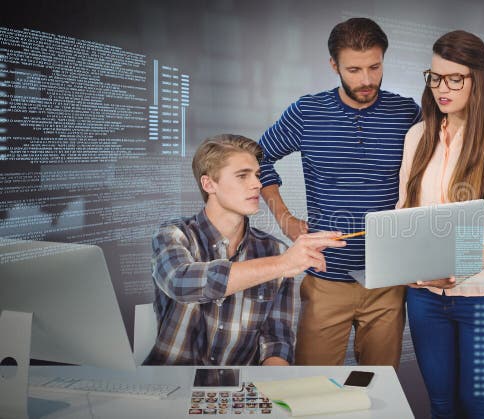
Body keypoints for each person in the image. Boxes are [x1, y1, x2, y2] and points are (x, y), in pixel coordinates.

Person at [258, 18, 421, 369]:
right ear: (334, 65)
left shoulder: (407, 113)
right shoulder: (307, 112)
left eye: (375, 67)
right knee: (312, 386)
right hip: (325, 279)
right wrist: (285, 219)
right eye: (354, 70)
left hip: (388, 282)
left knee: (378, 386)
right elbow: (258, 158)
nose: (366, 80)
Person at [397, 30, 484, 418]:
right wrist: (399, 259)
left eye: (455, 78)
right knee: (441, 406)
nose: (442, 88)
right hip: (426, 299)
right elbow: (406, 210)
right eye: (435, 77)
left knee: (478, 409)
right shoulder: (417, 136)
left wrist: (455, 270)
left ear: (478, 80)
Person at [146, 134, 345, 366]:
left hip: (242, 384)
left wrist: (273, 383)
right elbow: (180, 282)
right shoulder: (174, 234)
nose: (257, 185)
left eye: (257, 175)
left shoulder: (275, 250)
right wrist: (282, 264)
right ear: (209, 184)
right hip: (172, 381)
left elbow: (277, 340)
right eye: (242, 176)